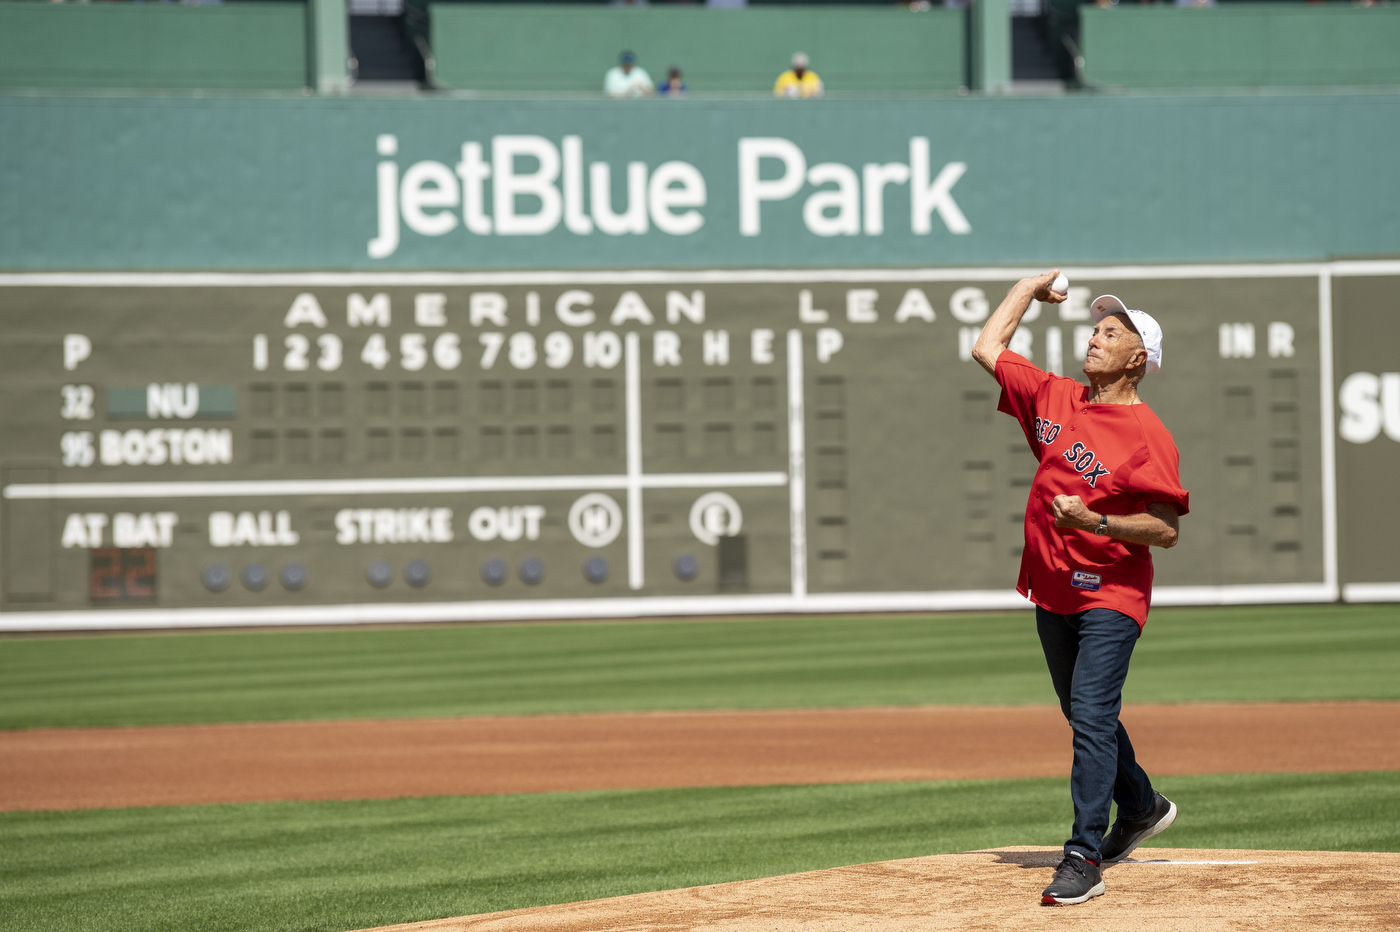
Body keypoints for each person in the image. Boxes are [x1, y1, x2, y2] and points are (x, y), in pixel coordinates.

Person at [970, 271, 1188, 906]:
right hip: (1053, 589)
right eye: (1097, 329)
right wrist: (1025, 287)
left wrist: (1095, 521)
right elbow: (987, 347)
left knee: (1091, 715)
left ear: (1138, 359)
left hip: (1111, 595)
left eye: (1112, 334)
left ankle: (1083, 856)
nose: (1095, 337)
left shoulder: (1148, 436)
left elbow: (1166, 530)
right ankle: (1142, 805)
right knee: (1084, 715)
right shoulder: (1056, 399)